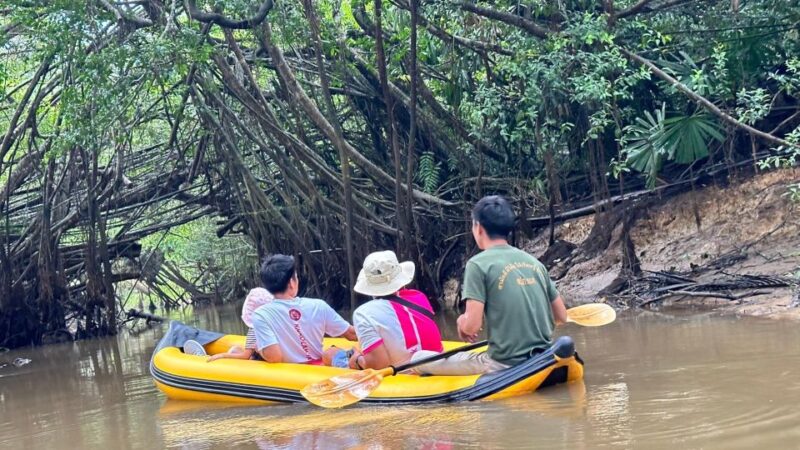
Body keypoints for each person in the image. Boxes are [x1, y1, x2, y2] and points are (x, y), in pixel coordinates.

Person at [411, 195, 568, 375]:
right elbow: (561, 316)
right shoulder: (534, 262)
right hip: (544, 354)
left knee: (418, 358)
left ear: (478, 227)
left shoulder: (477, 265)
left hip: (502, 364)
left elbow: (472, 327)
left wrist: (461, 322)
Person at [345, 250, 443, 370]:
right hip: (438, 365)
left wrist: (357, 360)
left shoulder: (363, 314)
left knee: (331, 355)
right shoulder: (418, 296)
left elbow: (379, 365)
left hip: (404, 375)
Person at [251, 254, 357, 364]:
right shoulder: (318, 306)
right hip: (320, 369)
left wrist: (259, 348)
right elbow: (351, 334)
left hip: (291, 375)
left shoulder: (261, 314)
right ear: (291, 283)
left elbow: (274, 357)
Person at [204, 287, 275, 362]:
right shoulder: (277, 324)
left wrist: (222, 355)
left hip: (259, 362)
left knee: (234, 350)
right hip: (273, 358)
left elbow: (245, 356)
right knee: (237, 349)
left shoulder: (254, 330)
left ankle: (202, 356)